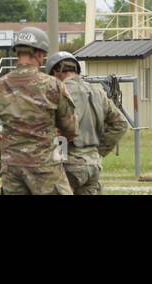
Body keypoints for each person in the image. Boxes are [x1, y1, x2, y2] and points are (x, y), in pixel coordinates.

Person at [0, 27, 77, 195]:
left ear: (18, 53)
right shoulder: (53, 85)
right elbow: (70, 129)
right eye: (43, 54)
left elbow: (3, 118)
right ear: (38, 54)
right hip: (44, 167)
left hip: (11, 168)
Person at [46, 51, 128, 195]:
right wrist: (98, 151)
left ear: (55, 72)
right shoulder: (97, 92)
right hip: (93, 166)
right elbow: (120, 124)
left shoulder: (58, 92)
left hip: (67, 164)